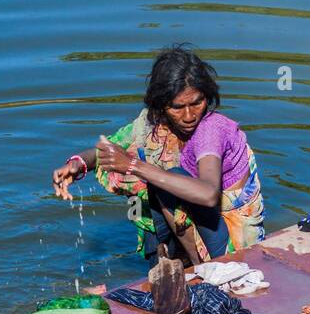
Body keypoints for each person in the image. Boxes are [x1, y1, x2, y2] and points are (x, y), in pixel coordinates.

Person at [52, 45, 265, 265]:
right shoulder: (151, 125)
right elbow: (108, 150)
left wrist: (134, 165)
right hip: (188, 227)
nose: (189, 115)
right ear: (161, 104)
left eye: (197, 103)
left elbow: (209, 194)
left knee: (168, 176)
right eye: (177, 107)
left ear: (207, 97)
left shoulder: (211, 130)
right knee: (157, 182)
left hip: (229, 243)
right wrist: (78, 164)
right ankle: (171, 261)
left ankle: (200, 270)